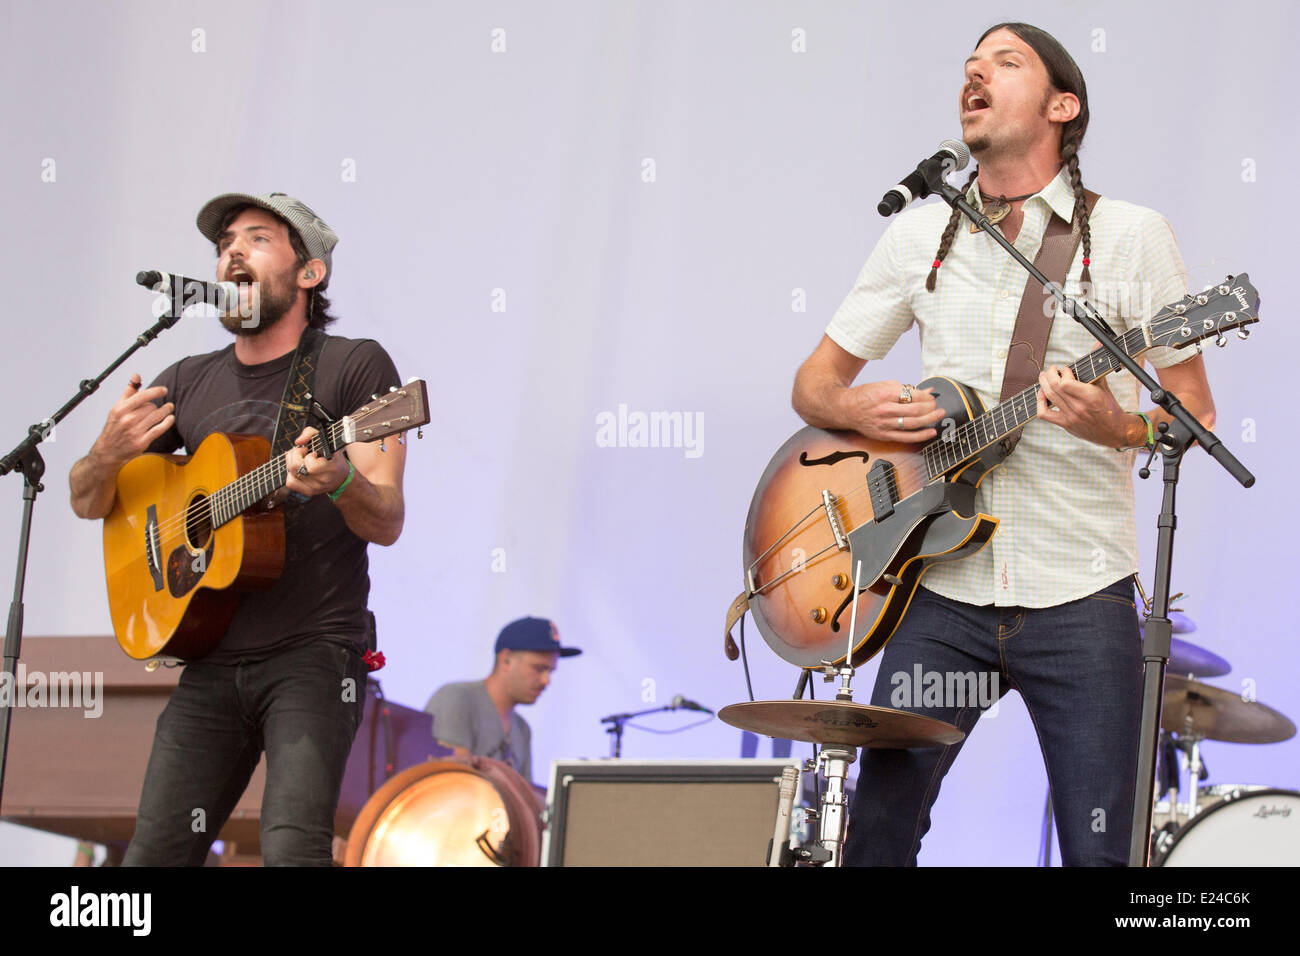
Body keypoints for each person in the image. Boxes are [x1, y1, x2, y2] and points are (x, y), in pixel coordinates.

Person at [790, 23, 1216, 866]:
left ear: (1064, 105)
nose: (975, 74)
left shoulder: (1129, 237)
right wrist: (859, 406)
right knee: (876, 837)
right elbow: (812, 386)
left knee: (1105, 851)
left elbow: (1192, 413)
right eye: (969, 67)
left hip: (1081, 591)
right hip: (940, 590)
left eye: (1005, 62)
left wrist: (1122, 425)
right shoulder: (920, 235)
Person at [69, 192, 407, 866]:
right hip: (210, 655)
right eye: (225, 243)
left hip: (314, 654)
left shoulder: (355, 367)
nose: (231, 253)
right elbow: (87, 500)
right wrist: (105, 455)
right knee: (151, 857)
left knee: (291, 849)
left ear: (309, 273)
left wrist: (339, 481)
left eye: (257, 239)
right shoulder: (185, 383)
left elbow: (388, 518)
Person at [425, 617, 581, 785]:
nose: (546, 680)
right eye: (539, 668)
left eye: (551, 671)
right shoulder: (456, 698)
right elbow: (449, 783)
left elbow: (527, 795)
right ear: (506, 659)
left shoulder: (522, 729)